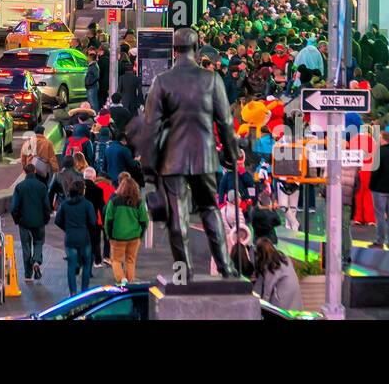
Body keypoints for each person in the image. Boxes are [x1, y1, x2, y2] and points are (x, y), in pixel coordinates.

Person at [138, 27, 239, 278]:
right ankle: (226, 268)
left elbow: (150, 128)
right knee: (210, 208)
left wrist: (149, 169)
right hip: (205, 155)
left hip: (173, 159)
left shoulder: (162, 81)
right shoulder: (212, 80)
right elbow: (225, 122)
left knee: (178, 216)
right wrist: (231, 154)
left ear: (174, 50)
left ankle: (183, 273)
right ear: (197, 48)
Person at [99, 172, 147, 285]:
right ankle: (130, 283)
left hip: (117, 237)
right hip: (134, 237)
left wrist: (109, 235)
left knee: (116, 260)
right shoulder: (139, 202)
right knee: (130, 261)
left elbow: (108, 220)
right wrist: (140, 234)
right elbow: (144, 220)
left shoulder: (114, 201)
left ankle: (121, 280)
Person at [54, 179, 99, 296]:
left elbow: (57, 220)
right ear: (82, 191)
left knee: (71, 265)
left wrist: (67, 228)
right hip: (84, 238)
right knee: (86, 264)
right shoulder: (87, 204)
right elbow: (93, 221)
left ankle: (73, 292)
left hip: (70, 238)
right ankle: (84, 291)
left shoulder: (65, 204)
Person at [11, 163, 52, 281]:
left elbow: (14, 207)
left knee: (26, 246)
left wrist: (17, 219)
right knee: (39, 242)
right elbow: (46, 206)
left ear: (24, 172)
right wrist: (46, 218)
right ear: (34, 171)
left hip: (24, 222)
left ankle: (28, 274)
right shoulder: (42, 186)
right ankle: (36, 261)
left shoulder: (19, 187)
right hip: (39, 221)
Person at [368, 130, 389, 250]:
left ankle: (379, 240)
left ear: (383, 139)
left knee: (380, 215)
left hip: (379, 188)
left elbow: (375, 171)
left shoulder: (379, 152)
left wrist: (371, 185)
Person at [252, 238, 304, 310]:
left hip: (282, 299)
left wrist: (261, 308)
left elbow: (267, 291)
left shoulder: (271, 265)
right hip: (295, 295)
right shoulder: (285, 258)